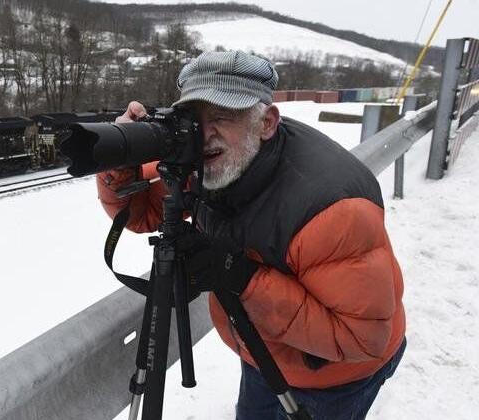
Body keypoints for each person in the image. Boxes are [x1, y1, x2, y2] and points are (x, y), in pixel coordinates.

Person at [96, 50, 406, 420]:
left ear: (267, 123)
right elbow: (144, 214)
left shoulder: (331, 210)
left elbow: (361, 338)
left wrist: (242, 277)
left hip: (337, 378)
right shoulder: (213, 159)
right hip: (262, 351)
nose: (204, 134)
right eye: (194, 119)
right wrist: (121, 168)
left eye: (222, 116)